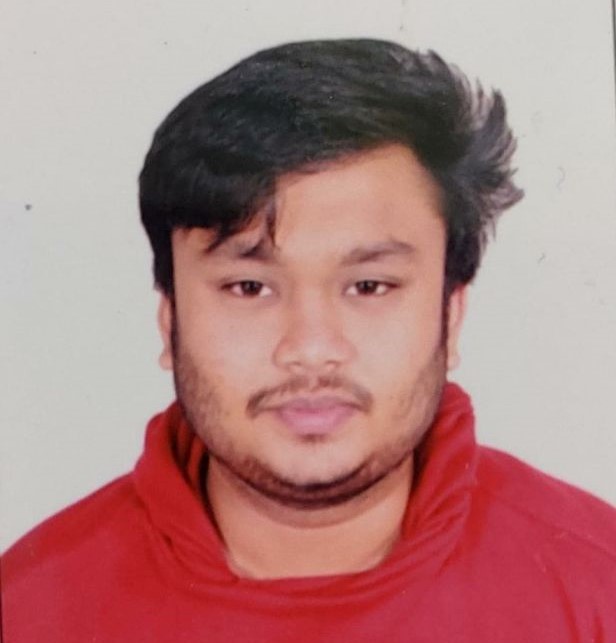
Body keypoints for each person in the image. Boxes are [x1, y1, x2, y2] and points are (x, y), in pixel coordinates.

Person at [2, 38, 615, 642]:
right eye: (249, 288)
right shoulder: (28, 609)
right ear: (170, 320)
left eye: (369, 286)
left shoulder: (598, 583)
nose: (311, 348)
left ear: (450, 316)